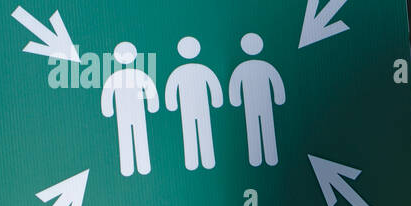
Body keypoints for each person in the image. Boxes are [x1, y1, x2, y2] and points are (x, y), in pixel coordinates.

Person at [164, 36, 224, 170]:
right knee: (191, 131)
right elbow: (171, 88)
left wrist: (217, 100)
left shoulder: (195, 70)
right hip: (188, 109)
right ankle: (193, 161)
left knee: (201, 130)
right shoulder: (182, 72)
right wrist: (171, 103)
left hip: (201, 108)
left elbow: (213, 85)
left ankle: (206, 160)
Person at [101, 41, 159, 176]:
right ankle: (128, 167)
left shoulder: (136, 75)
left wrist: (152, 105)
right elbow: (107, 94)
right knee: (126, 137)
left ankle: (142, 166)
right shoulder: (118, 77)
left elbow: (150, 91)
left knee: (138, 136)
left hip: (138, 113)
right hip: (123, 114)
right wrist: (108, 109)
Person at [228, 32, 286, 166]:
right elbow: (235, 85)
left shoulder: (261, 67)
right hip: (250, 105)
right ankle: (256, 158)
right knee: (254, 127)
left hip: (264, 104)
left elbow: (276, 82)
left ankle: (269, 157)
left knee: (266, 127)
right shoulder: (244, 68)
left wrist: (279, 97)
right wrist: (235, 100)